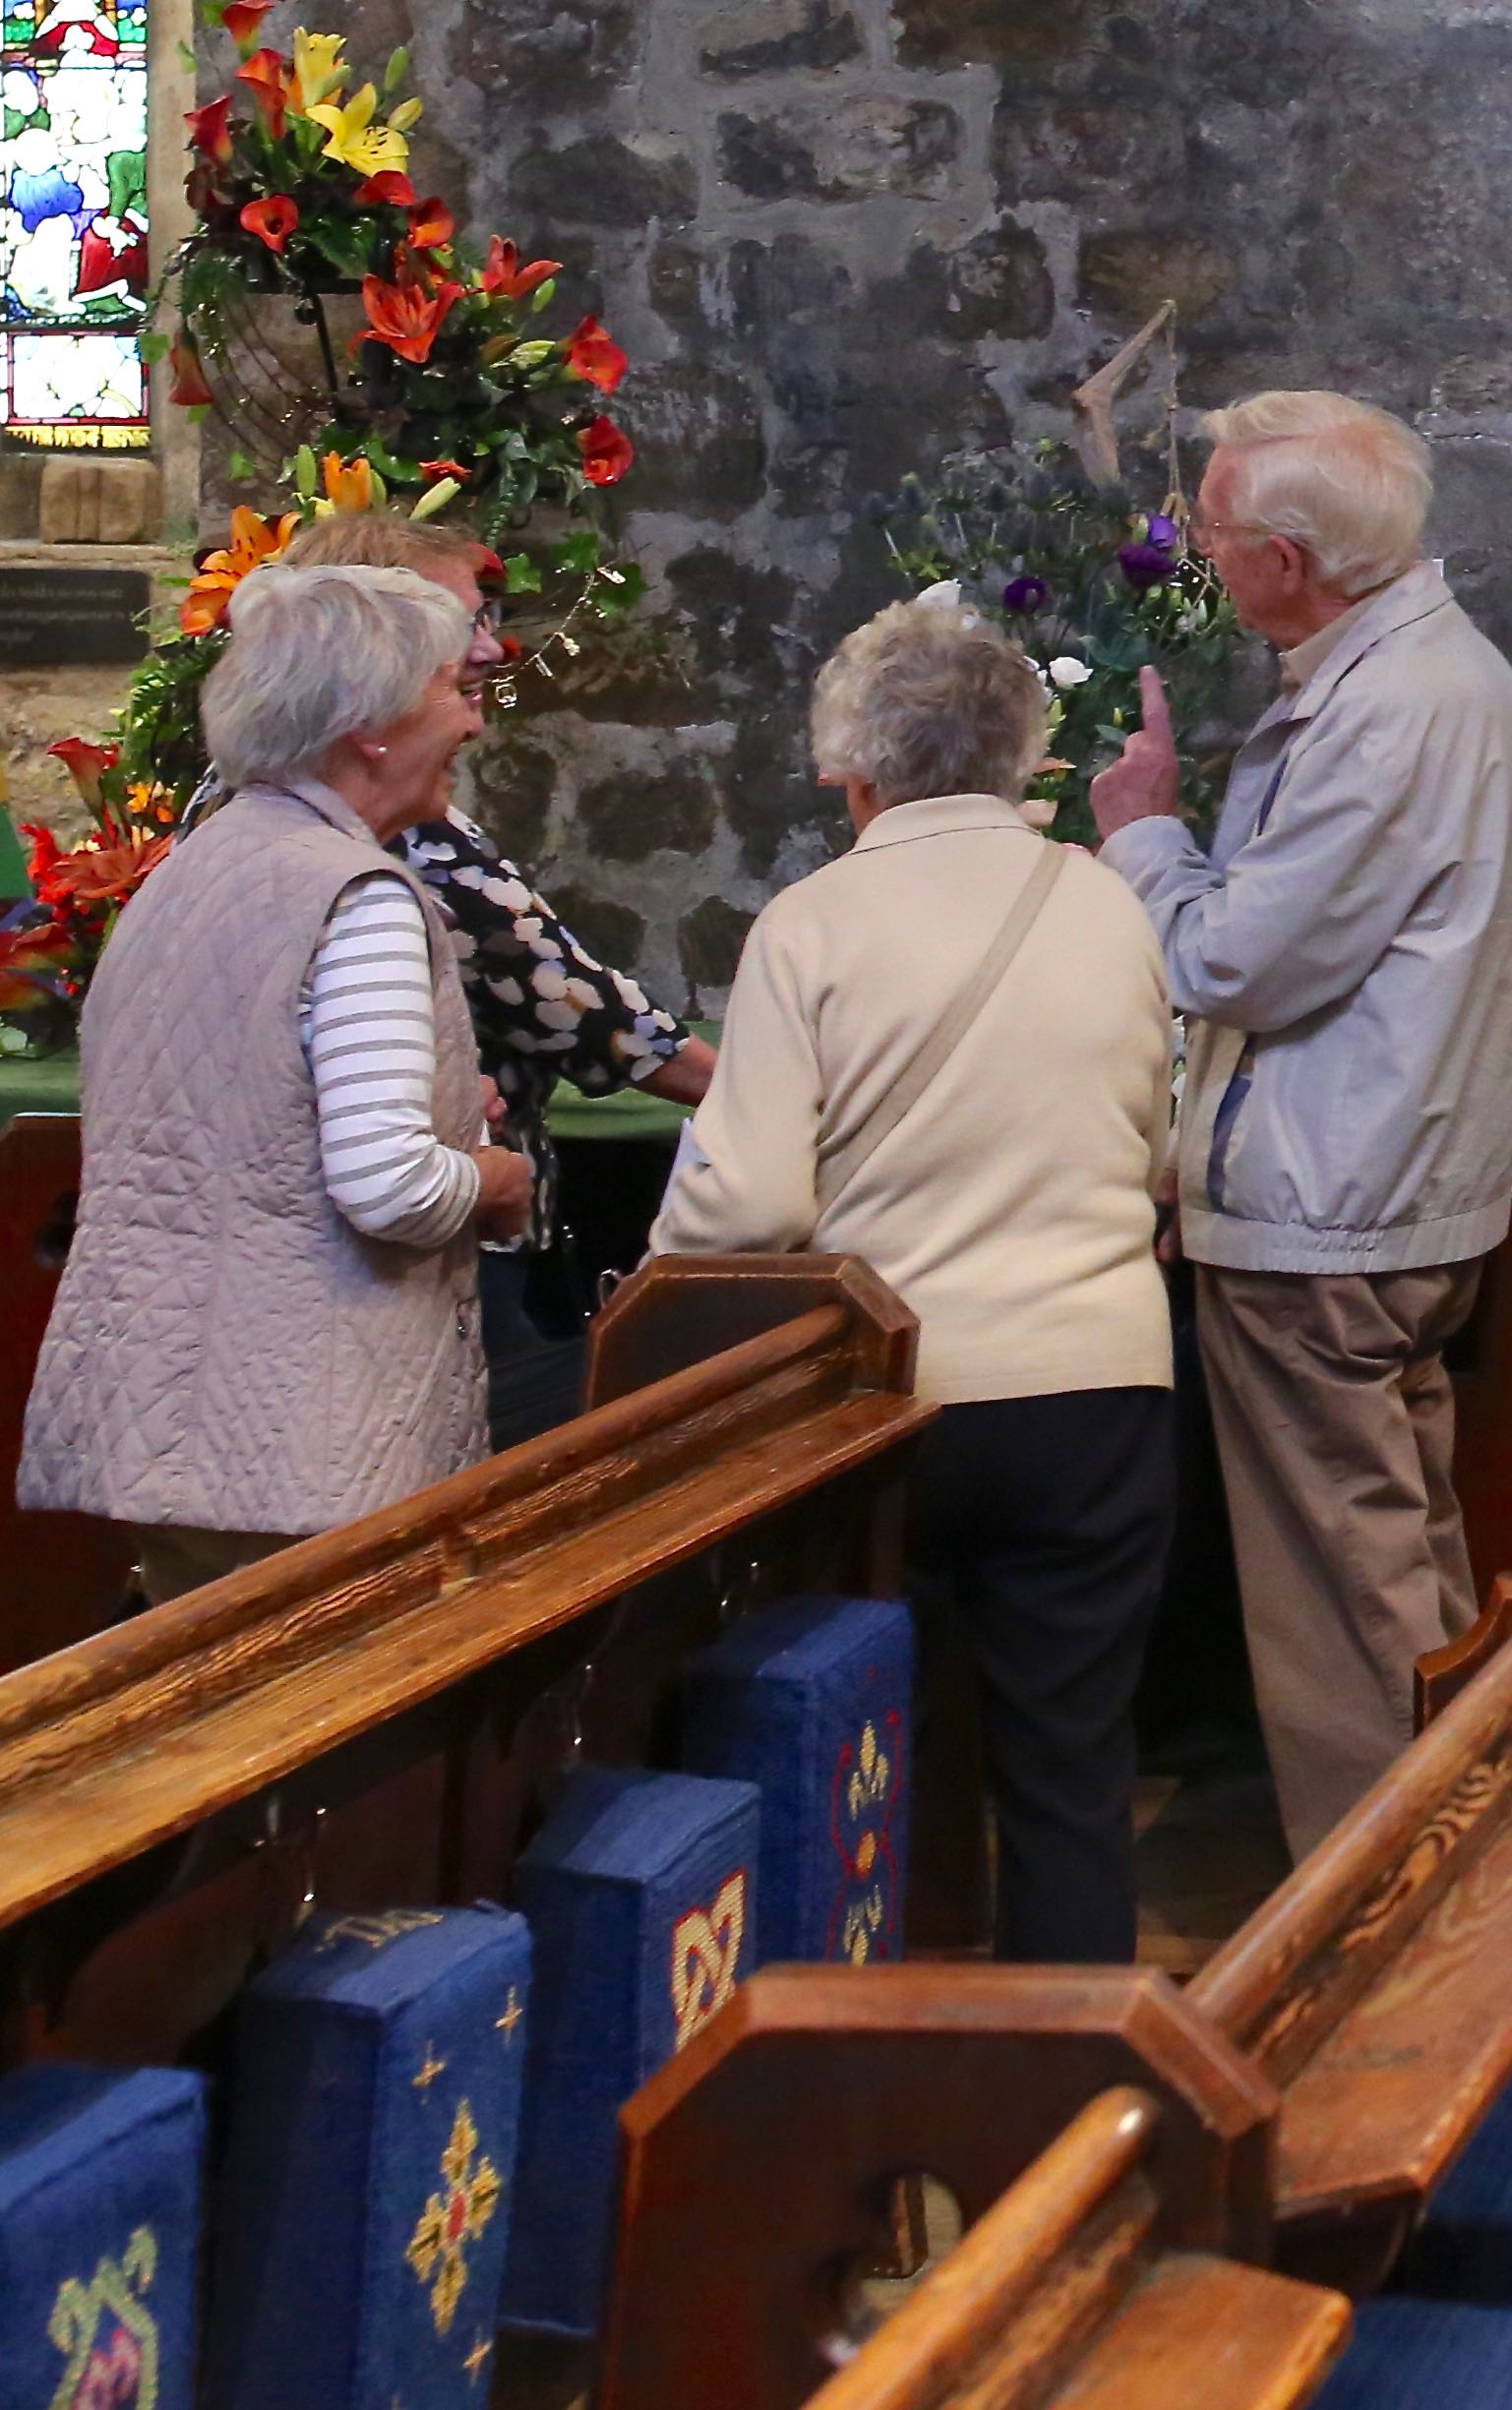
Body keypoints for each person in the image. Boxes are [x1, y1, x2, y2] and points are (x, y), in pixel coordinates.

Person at [652, 604, 1181, 1962]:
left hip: (895, 1403)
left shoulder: (812, 922)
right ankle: (1075, 2112)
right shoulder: (1109, 903)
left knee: (868, 1761)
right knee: (1069, 1777)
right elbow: (1155, 1144)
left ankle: (879, 2096)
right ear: (1022, 755)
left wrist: (651, 1272)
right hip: (1096, 1387)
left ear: (854, 769)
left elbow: (752, 1202)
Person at [1086, 390, 1512, 1848]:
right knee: (1393, 1562)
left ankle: (1386, 1917)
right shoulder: (1398, 671)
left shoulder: (1395, 704)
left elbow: (1234, 958)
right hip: (1365, 1190)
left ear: (1286, 559)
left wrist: (1143, 828)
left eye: (1215, 533)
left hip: (1325, 1212)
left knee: (1340, 1602)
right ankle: (1446, 1869)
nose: (1200, 554)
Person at [17, 565, 516, 1595]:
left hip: (158, 1426)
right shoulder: (356, 894)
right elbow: (385, 1188)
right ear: (368, 723)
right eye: (444, 688)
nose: (469, 721)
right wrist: (490, 1178)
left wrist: (435, 1111)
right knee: (343, 1745)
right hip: (305, 1437)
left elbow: (236, 1110)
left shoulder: (191, 871)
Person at [277, 507, 714, 1445]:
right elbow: (574, 1004)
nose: (490, 651)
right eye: (463, 625)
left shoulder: (254, 807)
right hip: (416, 1261)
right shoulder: (392, 843)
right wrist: (776, 1103)